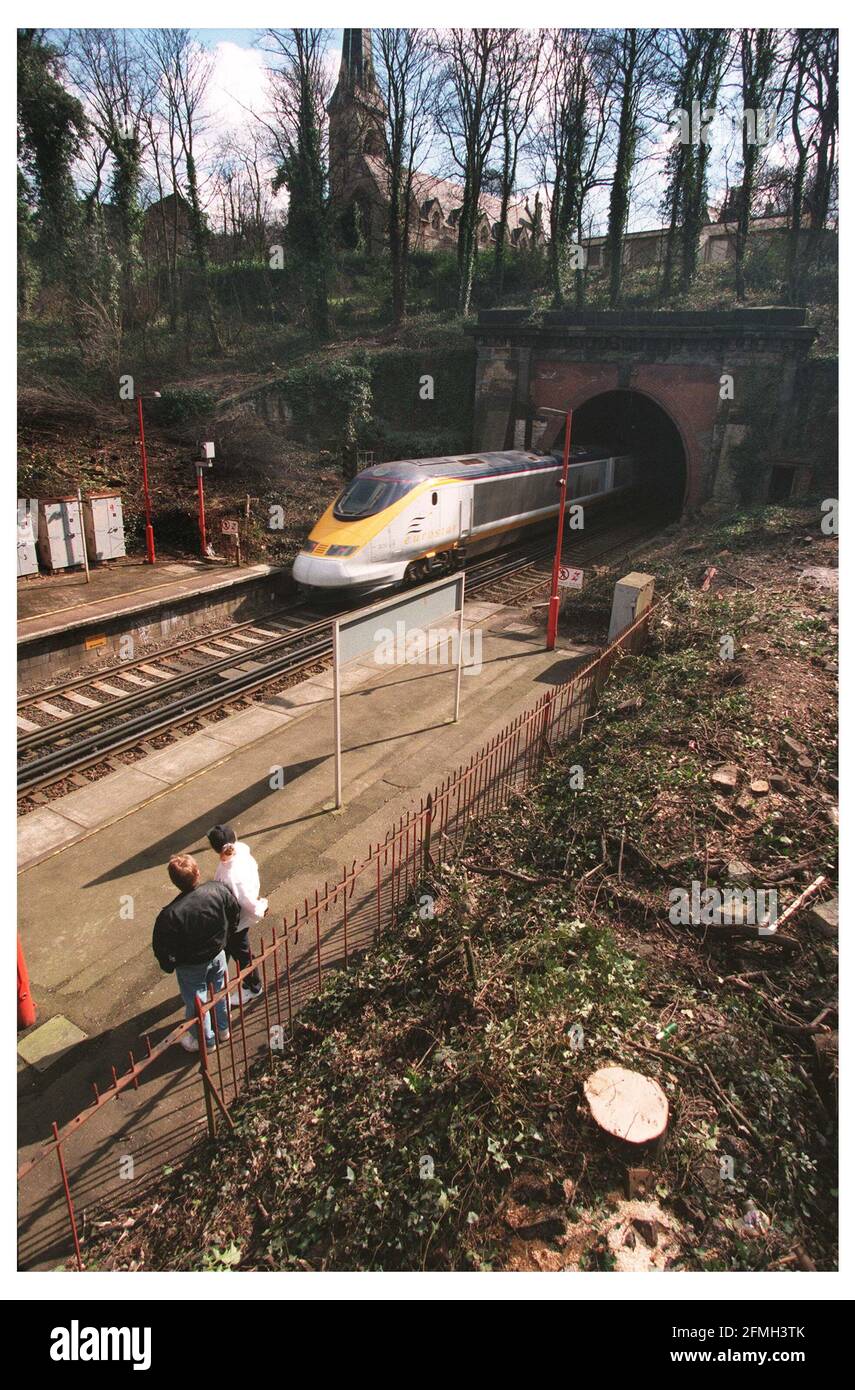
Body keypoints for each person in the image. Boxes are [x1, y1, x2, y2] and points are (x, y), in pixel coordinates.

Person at [152, 853, 239, 1053]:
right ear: (197, 872)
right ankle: (224, 1029)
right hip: (217, 954)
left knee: (197, 1002)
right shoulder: (217, 890)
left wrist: (169, 965)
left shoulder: (170, 915)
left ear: (174, 882)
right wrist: (225, 937)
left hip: (191, 965)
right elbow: (233, 912)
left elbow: (162, 948)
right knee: (220, 991)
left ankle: (205, 1041)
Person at [208, 824, 268, 1006]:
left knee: (242, 952)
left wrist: (260, 907)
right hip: (237, 917)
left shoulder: (230, 875)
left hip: (237, 920)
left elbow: (246, 899)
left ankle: (253, 987)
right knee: (229, 948)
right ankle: (218, 977)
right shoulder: (241, 853)